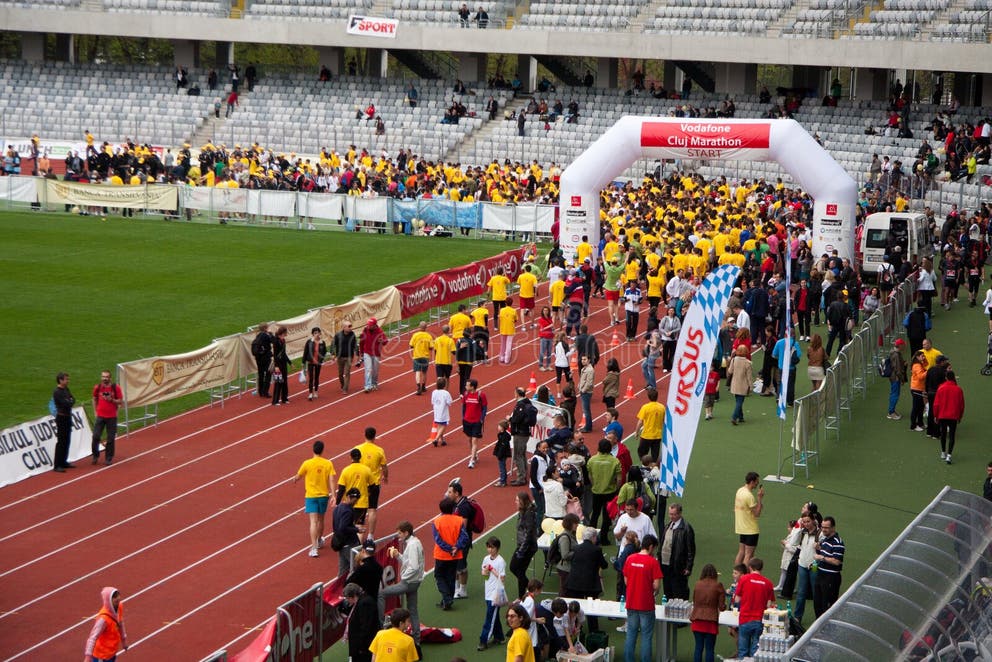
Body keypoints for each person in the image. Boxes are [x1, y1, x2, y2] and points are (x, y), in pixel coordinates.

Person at [380, 521, 424, 650]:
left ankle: (380, 621)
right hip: (414, 582)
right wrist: (398, 555)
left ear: (406, 533)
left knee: (381, 593)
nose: (398, 535)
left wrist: (404, 578)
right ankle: (417, 642)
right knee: (413, 611)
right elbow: (408, 561)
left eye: (399, 533)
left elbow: (414, 566)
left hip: (409, 582)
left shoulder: (412, 545)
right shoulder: (413, 542)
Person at [622, 534, 662, 662]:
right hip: (646, 604)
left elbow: (626, 581)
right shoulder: (653, 562)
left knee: (631, 634)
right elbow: (656, 585)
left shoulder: (630, 559)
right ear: (651, 547)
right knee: (646, 636)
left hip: (631, 603)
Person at [294, 440, 337, 558]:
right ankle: (318, 541)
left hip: (311, 496)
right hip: (323, 495)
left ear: (313, 449)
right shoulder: (328, 463)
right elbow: (332, 480)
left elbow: (299, 475)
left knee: (313, 521)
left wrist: (295, 479)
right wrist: (333, 495)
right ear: (322, 450)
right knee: (321, 520)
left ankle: (314, 548)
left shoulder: (307, 463)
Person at [563, 527, 608, 631]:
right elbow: (604, 565)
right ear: (593, 537)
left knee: (575, 607)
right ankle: (593, 630)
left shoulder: (576, 548)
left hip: (575, 582)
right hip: (591, 583)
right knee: (592, 607)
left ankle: (576, 628)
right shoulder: (597, 550)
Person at [432, 497, 469, 610]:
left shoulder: (436, 522)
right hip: (455, 555)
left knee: (439, 576)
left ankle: (447, 598)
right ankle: (447, 600)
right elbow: (464, 536)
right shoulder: (459, 520)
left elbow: (438, 540)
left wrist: (449, 549)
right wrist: (456, 548)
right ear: (453, 508)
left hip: (441, 555)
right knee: (451, 577)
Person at [735, 558, 776, 659]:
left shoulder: (744, 579)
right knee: (756, 651)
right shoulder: (768, 583)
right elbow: (769, 605)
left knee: (743, 651)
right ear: (761, 568)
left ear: (750, 567)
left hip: (745, 619)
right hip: (759, 620)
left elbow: (736, 600)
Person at [588, 438, 622, 544]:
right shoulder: (615, 461)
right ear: (610, 448)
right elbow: (619, 479)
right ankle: (604, 538)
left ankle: (591, 537)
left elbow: (590, 476)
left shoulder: (592, 460)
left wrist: (595, 485)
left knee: (595, 514)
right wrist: (616, 488)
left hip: (596, 491)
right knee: (607, 516)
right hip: (610, 492)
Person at [660, 503, 696, 600]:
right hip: (665, 565)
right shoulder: (668, 526)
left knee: (679, 593)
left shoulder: (686, 528)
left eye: (674, 514)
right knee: (667, 592)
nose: (671, 516)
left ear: (680, 513)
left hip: (678, 567)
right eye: (670, 514)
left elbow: (691, 550)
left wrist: (688, 567)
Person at [357, 427, 388, 538]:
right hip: (374, 483)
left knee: (360, 507)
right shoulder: (379, 450)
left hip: (361, 483)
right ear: (375, 436)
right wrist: (385, 476)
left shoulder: (358, 449)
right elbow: (384, 466)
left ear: (364, 435)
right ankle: (370, 535)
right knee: (372, 509)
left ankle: (359, 534)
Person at [690, 564, 725, 662]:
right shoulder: (718, 585)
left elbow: (694, 601)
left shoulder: (698, 584)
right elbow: (721, 607)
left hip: (697, 619)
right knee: (709, 649)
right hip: (710, 621)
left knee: (698, 648)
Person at [478, 536, 507, 650]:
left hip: (496, 594)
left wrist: (492, 569)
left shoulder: (501, 561)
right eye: (488, 547)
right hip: (488, 592)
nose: (490, 550)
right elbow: (485, 575)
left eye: (492, 547)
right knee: (494, 616)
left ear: (497, 548)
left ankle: (483, 640)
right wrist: (485, 571)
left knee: (489, 618)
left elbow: (502, 578)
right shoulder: (486, 559)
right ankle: (499, 637)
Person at [84, 587, 127, 662]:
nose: (118, 598)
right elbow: (92, 637)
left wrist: (124, 641)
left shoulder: (119, 606)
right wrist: (88, 656)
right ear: (108, 600)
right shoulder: (103, 619)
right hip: (101, 656)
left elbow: (120, 623)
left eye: (118, 595)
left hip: (112, 652)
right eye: (114, 597)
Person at [813, 516, 845, 618]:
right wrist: (819, 549)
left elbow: (837, 561)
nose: (823, 529)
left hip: (831, 578)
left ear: (833, 528)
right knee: (817, 604)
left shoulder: (838, 542)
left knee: (827, 606)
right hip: (820, 575)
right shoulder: (825, 539)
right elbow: (825, 554)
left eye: (826, 527)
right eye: (822, 527)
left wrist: (821, 557)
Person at [509, 491, 539, 599]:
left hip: (527, 547)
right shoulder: (524, 512)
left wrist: (521, 550)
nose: (515, 502)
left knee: (515, 567)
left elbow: (529, 533)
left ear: (522, 501)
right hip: (524, 545)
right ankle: (524, 594)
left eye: (517, 500)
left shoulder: (528, 514)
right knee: (519, 570)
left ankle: (528, 590)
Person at [91, 370, 122, 466]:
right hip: (100, 416)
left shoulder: (115, 388)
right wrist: (95, 412)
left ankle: (108, 458)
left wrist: (111, 400)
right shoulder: (98, 387)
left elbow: (120, 401)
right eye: (103, 376)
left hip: (112, 417)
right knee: (95, 436)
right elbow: (94, 399)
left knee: (110, 439)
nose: (105, 378)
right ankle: (95, 455)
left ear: (110, 378)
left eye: (107, 377)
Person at [934, 369, 965, 464]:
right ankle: (949, 455)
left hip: (942, 415)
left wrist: (936, 415)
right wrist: (960, 416)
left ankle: (943, 452)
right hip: (953, 416)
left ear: (946, 378)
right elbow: (961, 405)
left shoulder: (941, 388)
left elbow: (936, 404)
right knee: (952, 435)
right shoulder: (958, 389)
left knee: (943, 434)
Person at [734, 471, 764, 566]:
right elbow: (757, 513)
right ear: (752, 481)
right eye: (756, 482)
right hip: (751, 529)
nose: (757, 484)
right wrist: (759, 499)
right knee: (748, 555)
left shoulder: (740, 491)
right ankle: (744, 577)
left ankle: (736, 576)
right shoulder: (749, 496)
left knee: (741, 552)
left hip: (742, 527)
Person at [342, 583, 379, 662]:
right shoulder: (361, 601)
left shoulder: (364, 604)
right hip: (361, 646)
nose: (347, 600)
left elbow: (366, 627)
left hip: (363, 648)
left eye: (348, 598)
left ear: (354, 596)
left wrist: (359, 647)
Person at [337, 448, 373, 526]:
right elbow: (373, 486)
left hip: (348, 502)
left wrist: (337, 502)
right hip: (362, 502)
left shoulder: (345, 470)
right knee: (359, 525)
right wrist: (368, 494)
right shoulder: (367, 470)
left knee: (347, 524)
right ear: (360, 457)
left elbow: (341, 488)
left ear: (351, 457)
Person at [509, 388, 537, 486]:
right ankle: (524, 473)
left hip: (520, 433)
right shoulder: (527, 402)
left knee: (518, 455)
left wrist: (510, 419)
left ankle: (521, 477)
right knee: (522, 454)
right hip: (525, 433)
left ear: (517, 394)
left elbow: (517, 419)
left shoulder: (520, 405)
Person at [333, 488, 363, 577]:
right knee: (359, 568)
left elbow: (339, 525)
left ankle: (339, 589)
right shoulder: (348, 510)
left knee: (343, 572)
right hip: (349, 544)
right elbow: (343, 527)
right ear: (349, 497)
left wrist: (354, 526)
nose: (356, 502)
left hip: (341, 543)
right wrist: (357, 530)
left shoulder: (338, 508)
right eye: (355, 500)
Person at [634, 387, 665, 463]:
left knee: (641, 452)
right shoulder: (662, 407)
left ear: (648, 397)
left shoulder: (645, 407)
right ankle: (654, 468)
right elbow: (664, 421)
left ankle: (645, 465)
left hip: (646, 435)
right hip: (657, 435)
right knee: (655, 455)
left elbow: (640, 422)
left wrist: (636, 432)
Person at [52, 372, 75, 472]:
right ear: (60, 380)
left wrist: (69, 401)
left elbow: (72, 399)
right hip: (61, 418)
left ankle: (64, 461)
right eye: (66, 379)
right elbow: (66, 403)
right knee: (61, 442)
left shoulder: (66, 389)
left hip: (67, 417)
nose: (68, 381)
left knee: (67, 440)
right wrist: (69, 401)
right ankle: (57, 465)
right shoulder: (57, 392)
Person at [462, 379, 488, 469]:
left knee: (474, 441)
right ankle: (475, 454)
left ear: (472, 387)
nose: (465, 386)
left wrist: (481, 419)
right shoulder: (466, 394)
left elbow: (484, 408)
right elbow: (464, 406)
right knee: (469, 439)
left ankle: (471, 460)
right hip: (467, 421)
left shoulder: (481, 395)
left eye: (467, 385)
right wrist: (463, 417)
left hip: (476, 422)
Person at [727, 345, 753, 426]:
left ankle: (741, 417)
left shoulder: (734, 360)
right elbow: (749, 377)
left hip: (734, 384)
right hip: (743, 385)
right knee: (740, 401)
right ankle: (734, 417)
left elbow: (730, 371)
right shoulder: (748, 363)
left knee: (738, 400)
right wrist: (751, 386)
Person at [360, 317, 387, 393]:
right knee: (368, 369)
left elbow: (386, 341)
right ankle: (367, 386)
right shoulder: (365, 330)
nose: (369, 326)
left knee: (375, 370)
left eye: (370, 325)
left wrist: (382, 341)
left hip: (376, 353)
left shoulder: (380, 332)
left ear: (375, 325)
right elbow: (362, 342)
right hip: (367, 352)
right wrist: (361, 353)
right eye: (368, 325)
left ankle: (374, 383)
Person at [332, 320, 359, 394]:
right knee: (340, 374)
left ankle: (345, 389)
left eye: (351, 326)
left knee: (347, 373)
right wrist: (332, 354)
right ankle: (343, 385)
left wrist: (357, 355)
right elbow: (333, 344)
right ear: (344, 327)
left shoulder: (352, 335)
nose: (351, 328)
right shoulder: (338, 335)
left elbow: (355, 345)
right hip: (340, 357)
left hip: (349, 357)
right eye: (349, 326)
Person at [302, 327, 327, 401]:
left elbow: (324, 352)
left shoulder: (322, 342)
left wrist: (322, 359)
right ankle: (310, 393)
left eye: (317, 332)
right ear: (312, 334)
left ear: (320, 333)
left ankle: (316, 391)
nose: (316, 334)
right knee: (311, 378)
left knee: (316, 377)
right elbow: (305, 352)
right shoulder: (309, 342)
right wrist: (303, 362)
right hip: (310, 362)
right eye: (315, 333)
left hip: (318, 363)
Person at [409, 321, 434, 395]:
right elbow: (431, 347)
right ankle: (423, 387)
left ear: (419, 327)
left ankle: (418, 386)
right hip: (425, 357)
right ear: (426, 328)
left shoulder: (415, 335)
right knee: (424, 372)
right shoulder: (428, 336)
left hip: (417, 356)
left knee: (417, 372)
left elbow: (411, 345)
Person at [886, 338, 908, 420]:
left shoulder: (893, 352)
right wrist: (902, 379)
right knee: (895, 394)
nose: (904, 347)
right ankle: (891, 412)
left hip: (893, 377)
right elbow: (898, 370)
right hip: (895, 378)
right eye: (903, 345)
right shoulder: (896, 355)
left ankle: (892, 411)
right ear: (900, 345)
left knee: (894, 394)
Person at [251, 322, 273, 398]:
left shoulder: (258, 336)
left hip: (258, 358)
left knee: (260, 374)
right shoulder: (266, 336)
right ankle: (265, 392)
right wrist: (270, 333)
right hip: (266, 358)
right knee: (268, 374)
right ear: (265, 328)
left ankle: (260, 391)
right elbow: (272, 341)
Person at [270, 326, 291, 406]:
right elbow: (275, 355)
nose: (286, 334)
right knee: (278, 382)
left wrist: (290, 363)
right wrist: (276, 366)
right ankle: (275, 401)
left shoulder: (283, 340)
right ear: (283, 333)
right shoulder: (276, 341)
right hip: (278, 365)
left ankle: (284, 398)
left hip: (283, 364)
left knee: (284, 381)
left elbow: (284, 353)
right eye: (286, 332)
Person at [431, 377, 454, 447]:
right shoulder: (446, 393)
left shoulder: (434, 392)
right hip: (443, 411)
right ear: (444, 385)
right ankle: (436, 439)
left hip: (436, 411)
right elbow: (449, 402)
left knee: (439, 425)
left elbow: (432, 401)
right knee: (443, 425)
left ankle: (442, 440)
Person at [659, 306, 682, 371]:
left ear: (674, 312)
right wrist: (666, 333)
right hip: (665, 339)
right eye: (670, 310)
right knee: (665, 353)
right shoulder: (665, 318)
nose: (671, 312)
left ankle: (670, 367)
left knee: (672, 353)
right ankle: (665, 367)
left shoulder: (676, 319)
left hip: (673, 339)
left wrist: (672, 332)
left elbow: (679, 327)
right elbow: (660, 328)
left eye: (672, 310)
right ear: (668, 311)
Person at [577, 355, 595, 433]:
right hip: (583, 391)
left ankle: (588, 427)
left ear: (589, 360)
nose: (583, 361)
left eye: (585, 359)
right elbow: (582, 380)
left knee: (586, 410)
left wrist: (583, 390)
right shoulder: (584, 369)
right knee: (585, 410)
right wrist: (579, 387)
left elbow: (589, 383)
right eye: (582, 359)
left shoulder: (590, 370)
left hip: (586, 392)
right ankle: (588, 426)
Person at [498, 297, 518, 364]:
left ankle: (501, 358)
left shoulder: (501, 310)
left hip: (503, 329)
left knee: (503, 344)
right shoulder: (514, 311)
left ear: (505, 303)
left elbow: (500, 318)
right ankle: (507, 359)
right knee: (509, 344)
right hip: (510, 330)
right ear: (511, 303)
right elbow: (516, 320)